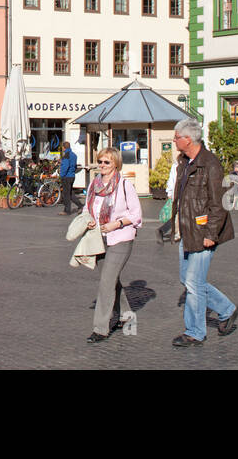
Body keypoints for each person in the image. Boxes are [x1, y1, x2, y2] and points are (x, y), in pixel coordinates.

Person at [170, 118, 236, 348]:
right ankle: (227, 309)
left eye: (176, 136)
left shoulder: (210, 164)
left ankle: (195, 332)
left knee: (193, 282)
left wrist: (211, 233)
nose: (174, 140)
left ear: (188, 139)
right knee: (187, 279)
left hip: (204, 232)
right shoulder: (185, 162)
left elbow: (219, 204)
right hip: (187, 230)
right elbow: (183, 199)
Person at [83, 147, 143, 344]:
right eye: (100, 161)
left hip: (121, 238)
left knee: (106, 282)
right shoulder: (94, 185)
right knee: (112, 280)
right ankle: (125, 314)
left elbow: (136, 215)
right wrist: (89, 220)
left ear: (116, 164)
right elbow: (87, 209)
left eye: (106, 162)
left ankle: (100, 328)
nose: (102, 165)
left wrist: (116, 224)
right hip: (99, 238)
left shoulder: (125, 185)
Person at [58, 141, 82, 215]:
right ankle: (81, 206)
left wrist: (61, 175)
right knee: (70, 193)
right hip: (72, 176)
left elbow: (65, 167)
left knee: (66, 194)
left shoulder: (66, 155)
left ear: (64, 147)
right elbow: (73, 165)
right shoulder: (73, 155)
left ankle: (67, 210)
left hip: (66, 177)